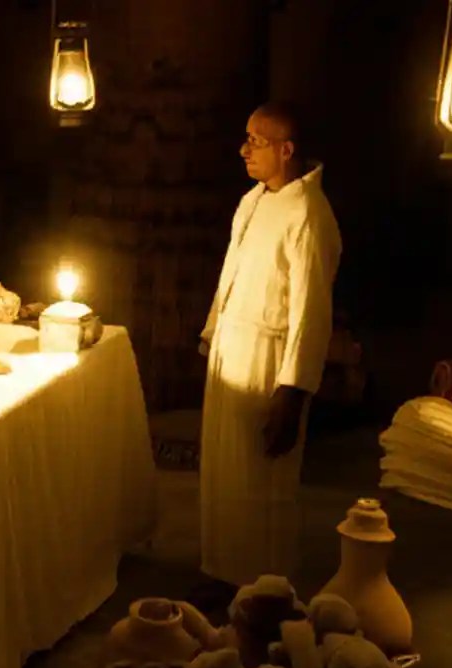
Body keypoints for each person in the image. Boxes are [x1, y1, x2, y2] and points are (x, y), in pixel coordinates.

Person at [196, 101, 342, 600]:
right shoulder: (253, 200)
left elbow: (311, 308)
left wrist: (293, 389)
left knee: (262, 480)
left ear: (287, 150)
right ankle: (221, 570)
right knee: (223, 471)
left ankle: (263, 588)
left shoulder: (309, 215)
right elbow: (232, 272)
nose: (244, 150)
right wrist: (213, 331)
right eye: (245, 138)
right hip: (232, 348)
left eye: (255, 141)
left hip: (268, 356)